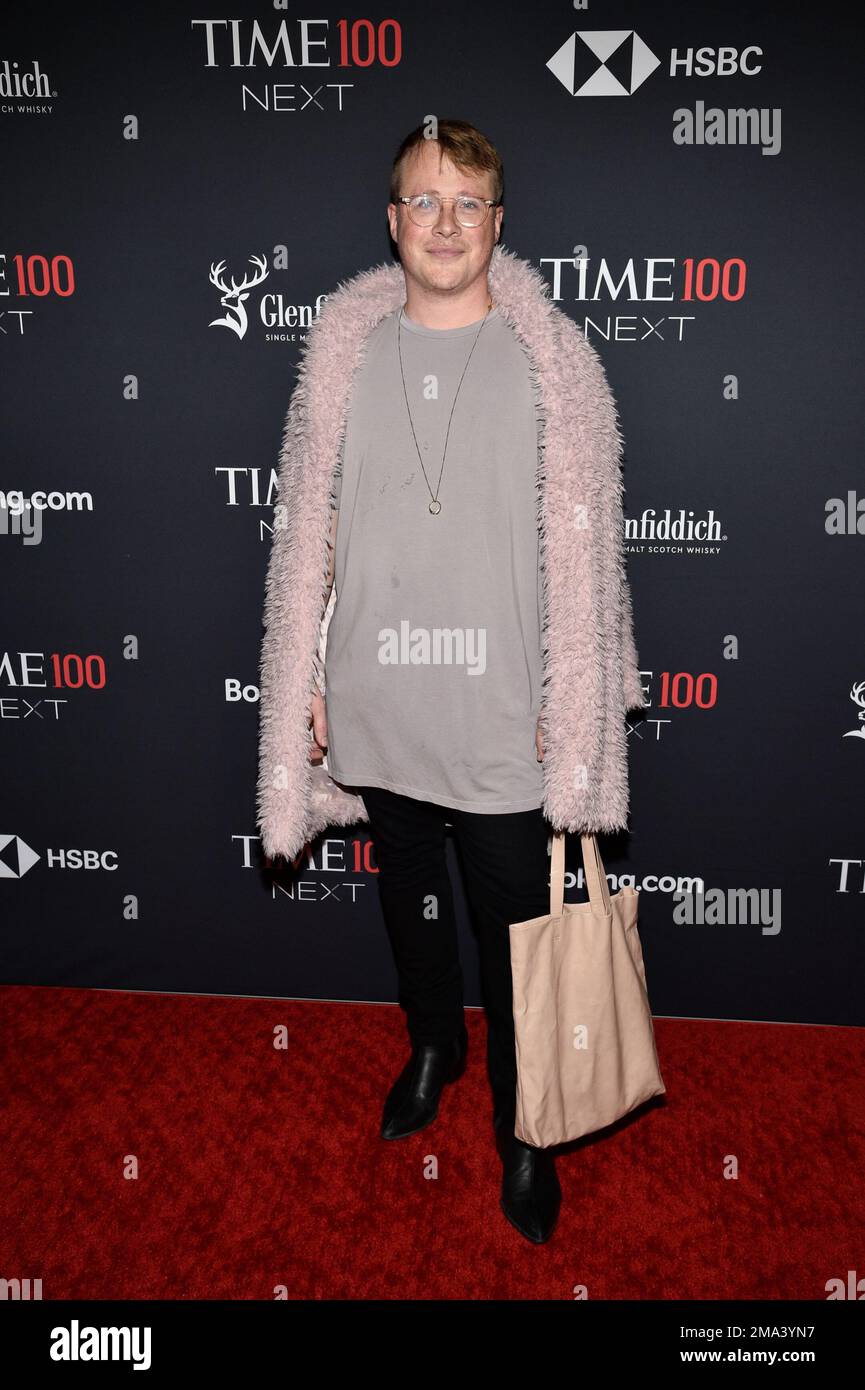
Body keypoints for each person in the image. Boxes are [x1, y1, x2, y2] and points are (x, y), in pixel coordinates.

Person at [257, 119, 646, 1245]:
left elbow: (589, 557)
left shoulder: (554, 363)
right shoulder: (339, 350)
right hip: (379, 692)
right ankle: (433, 1044)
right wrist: (317, 673)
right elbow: (311, 541)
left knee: (515, 922)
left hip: (500, 706)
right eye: (421, 202)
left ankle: (527, 1127)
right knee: (407, 894)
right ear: (392, 222)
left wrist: (571, 695)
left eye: (465, 202)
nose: (442, 223)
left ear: (496, 224)